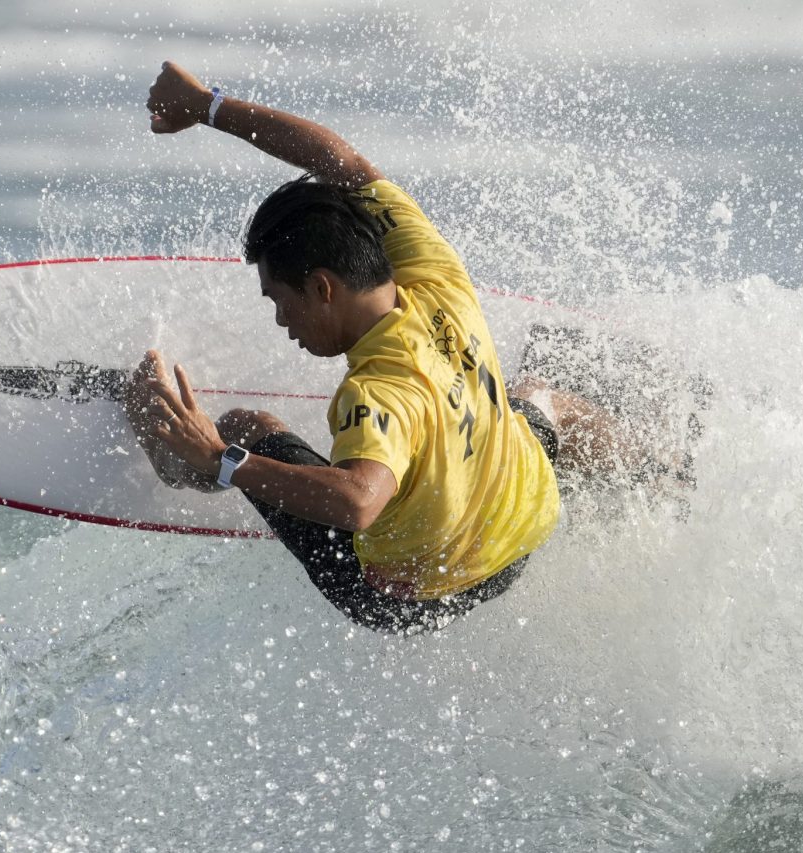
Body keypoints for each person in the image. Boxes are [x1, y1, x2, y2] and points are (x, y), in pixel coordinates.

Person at [125, 61, 637, 635]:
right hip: (523, 523)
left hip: (411, 591)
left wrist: (224, 459)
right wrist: (207, 106)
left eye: (280, 301)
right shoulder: (435, 272)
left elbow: (358, 502)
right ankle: (659, 470)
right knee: (538, 397)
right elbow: (345, 164)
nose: (280, 321)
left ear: (323, 288)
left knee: (246, 428)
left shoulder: (377, 393)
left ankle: (178, 455)